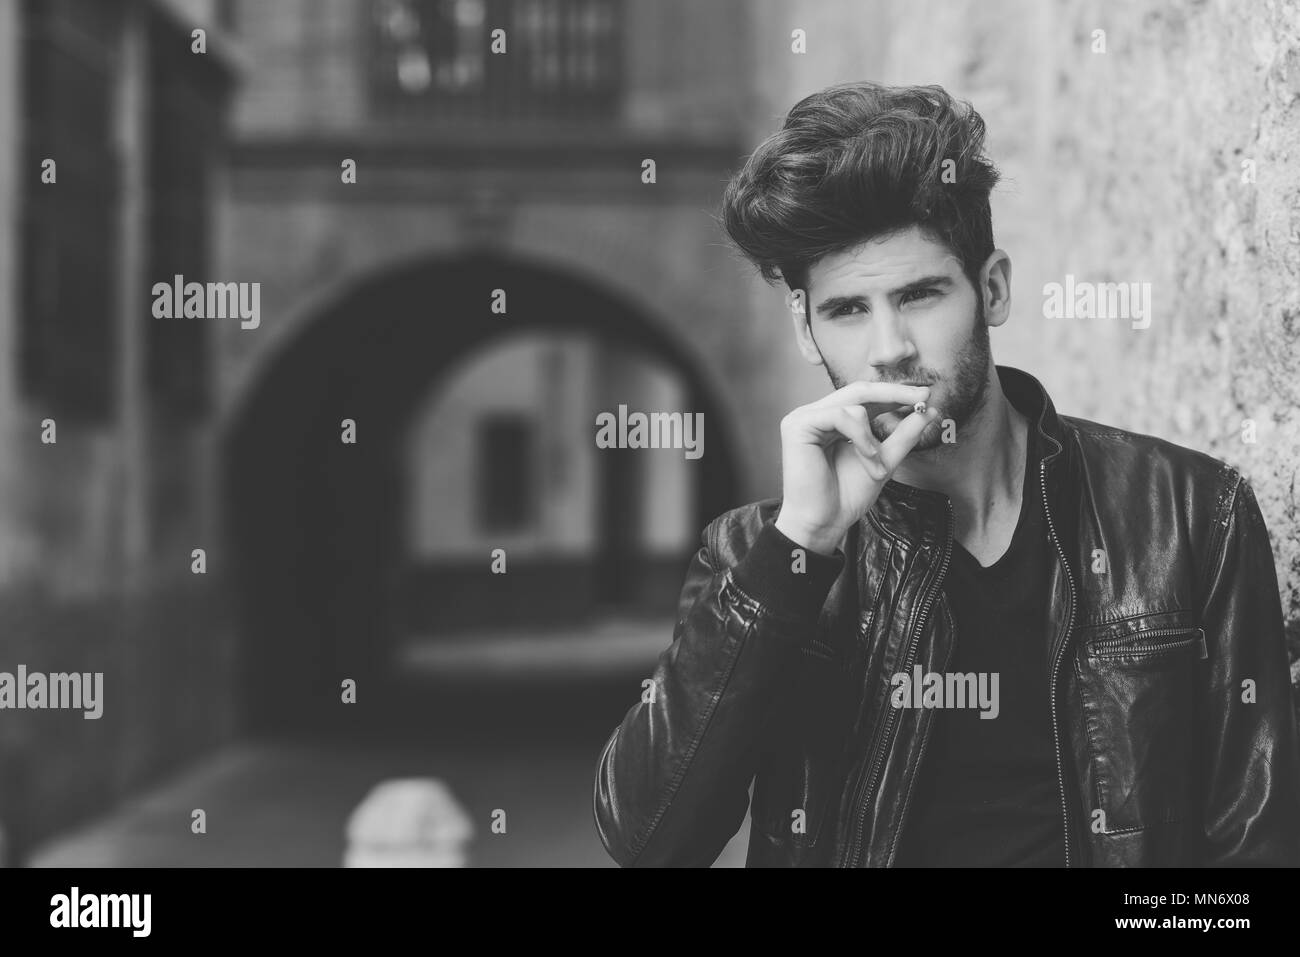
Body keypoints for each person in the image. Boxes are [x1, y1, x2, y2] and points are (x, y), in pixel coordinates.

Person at [591, 81, 1300, 867]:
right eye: (847, 310)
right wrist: (803, 544)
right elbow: (648, 840)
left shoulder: (1190, 514)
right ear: (805, 325)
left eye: (919, 295)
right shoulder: (758, 554)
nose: (889, 347)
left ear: (991, 289)